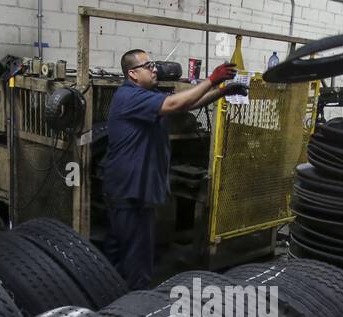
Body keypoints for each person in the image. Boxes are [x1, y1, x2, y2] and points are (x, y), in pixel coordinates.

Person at [102, 49, 241, 289]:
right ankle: (133, 311)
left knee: (121, 250)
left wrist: (221, 92)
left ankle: (107, 294)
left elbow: (185, 105)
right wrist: (212, 79)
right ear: (133, 74)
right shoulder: (129, 96)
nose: (154, 69)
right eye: (149, 66)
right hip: (131, 192)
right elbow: (177, 102)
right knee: (138, 260)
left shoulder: (144, 95)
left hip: (128, 188)